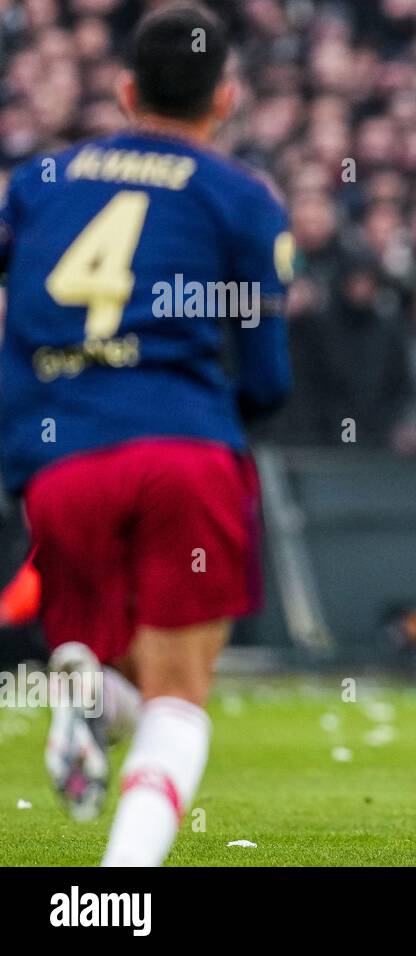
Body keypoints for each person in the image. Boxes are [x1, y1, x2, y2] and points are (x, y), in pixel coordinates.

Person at [0, 2, 292, 866]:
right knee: (179, 692)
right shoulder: (241, 196)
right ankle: (125, 879)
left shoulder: (36, 181)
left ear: (125, 89)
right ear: (227, 97)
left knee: (120, 658)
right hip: (183, 448)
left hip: (61, 463)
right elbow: (270, 378)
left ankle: (88, 697)